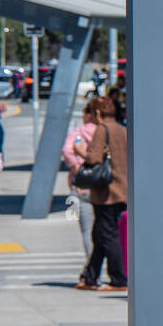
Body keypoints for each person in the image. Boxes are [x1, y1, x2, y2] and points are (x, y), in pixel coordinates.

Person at [76, 93, 127, 291]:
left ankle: (118, 279)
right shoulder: (122, 130)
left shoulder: (102, 130)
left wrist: (81, 152)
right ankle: (90, 277)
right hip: (122, 190)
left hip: (107, 193)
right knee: (99, 234)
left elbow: (94, 158)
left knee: (107, 235)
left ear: (98, 112)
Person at [62, 97, 99, 262]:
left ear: (88, 115)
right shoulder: (102, 132)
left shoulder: (77, 133)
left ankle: (92, 266)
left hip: (82, 185)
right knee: (104, 229)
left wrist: (75, 166)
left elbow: (66, 150)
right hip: (102, 185)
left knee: (86, 229)